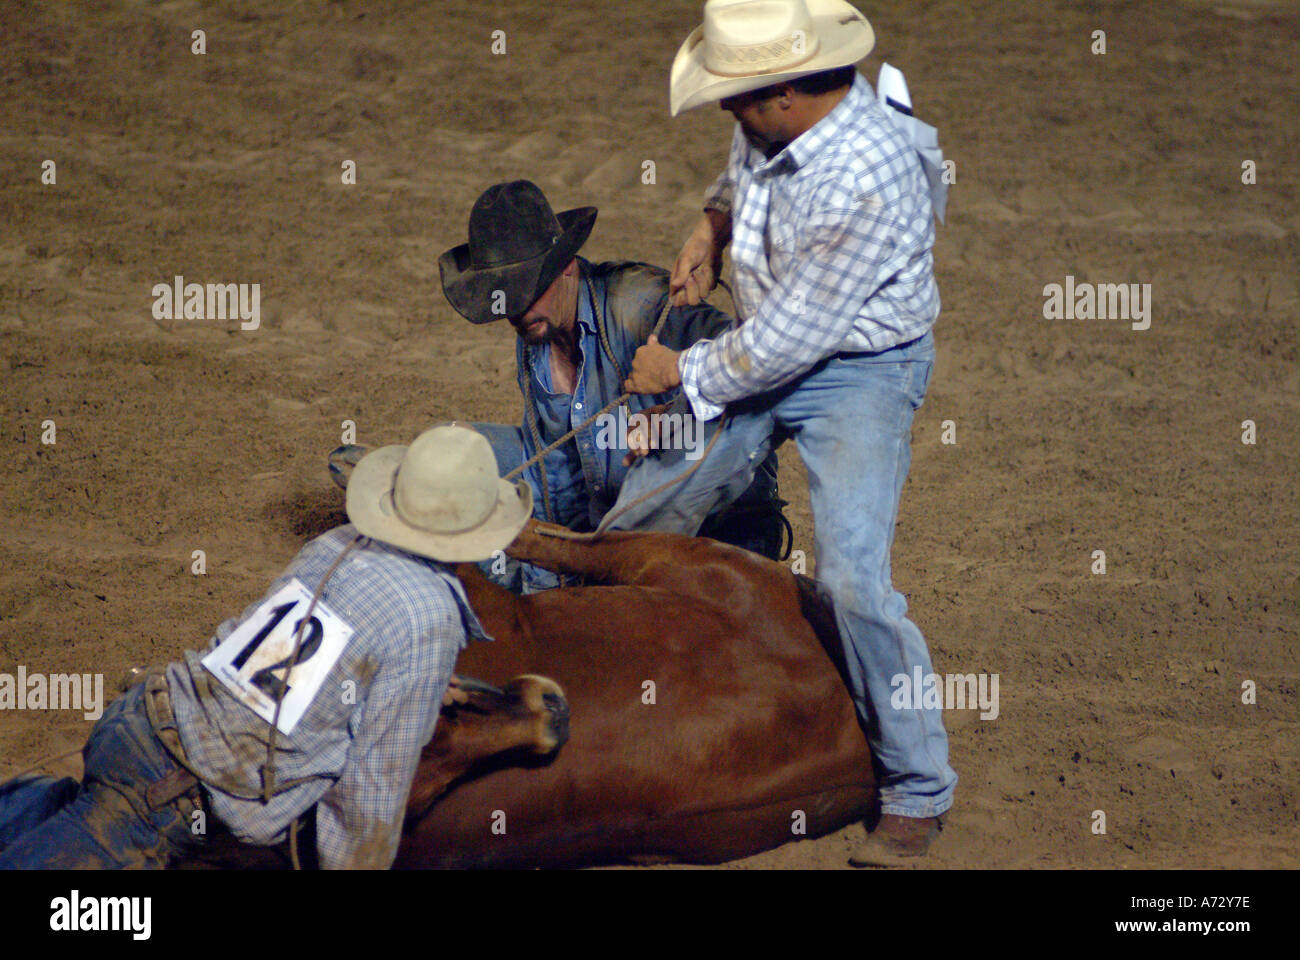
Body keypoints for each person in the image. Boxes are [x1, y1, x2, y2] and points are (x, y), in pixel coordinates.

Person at [608, 0, 957, 865]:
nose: (730, 110)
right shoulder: (780, 123)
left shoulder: (868, 176)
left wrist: (679, 375)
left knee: (852, 583)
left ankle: (918, 784)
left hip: (860, 372)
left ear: (787, 96)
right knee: (644, 513)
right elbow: (743, 174)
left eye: (739, 98)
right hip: (770, 344)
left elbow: (782, 345)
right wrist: (711, 224)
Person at [0, 424, 530, 869]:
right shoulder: (430, 617)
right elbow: (371, 797)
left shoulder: (337, 543)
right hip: (168, 793)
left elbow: (273, 658)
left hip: (139, 722)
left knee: (51, 817)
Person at [437, 179, 788, 592]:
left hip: (705, 526)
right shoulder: (536, 327)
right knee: (446, 456)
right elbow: (556, 466)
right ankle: (561, 579)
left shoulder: (639, 303)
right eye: (505, 296)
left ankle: (569, 582)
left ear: (565, 265)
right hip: (598, 500)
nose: (515, 309)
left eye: (526, 290)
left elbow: (755, 368)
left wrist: (675, 418)